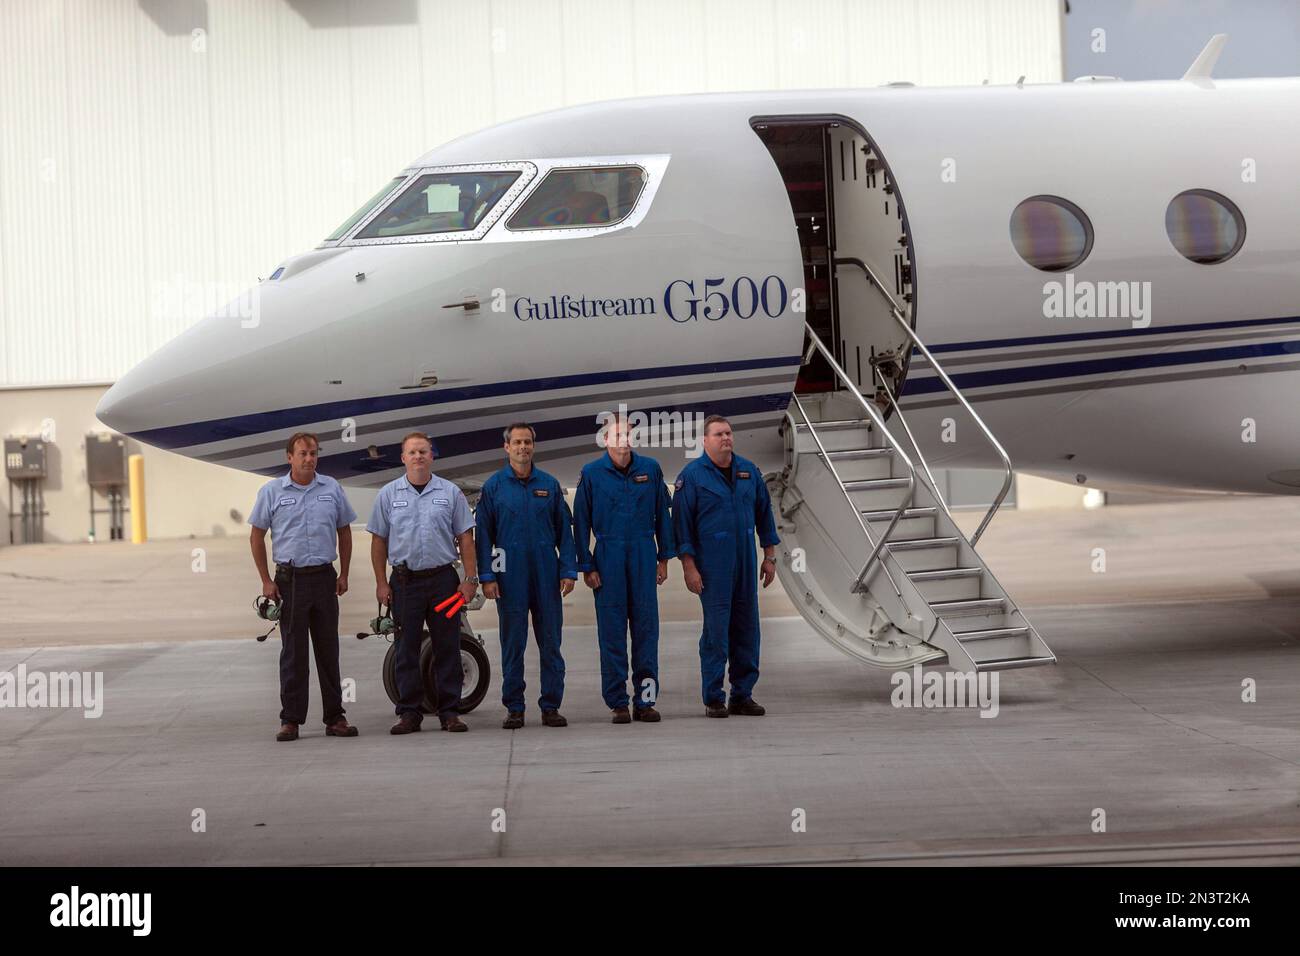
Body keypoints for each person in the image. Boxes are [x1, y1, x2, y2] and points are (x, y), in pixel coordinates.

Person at [249, 432, 358, 741]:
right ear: (290, 458)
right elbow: (257, 536)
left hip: (324, 578)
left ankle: (335, 718)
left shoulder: (331, 488)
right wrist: (266, 580)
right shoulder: (271, 492)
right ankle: (291, 720)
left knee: (328, 651)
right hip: (290, 582)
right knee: (293, 654)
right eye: (302, 454)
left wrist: (344, 573)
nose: (309, 458)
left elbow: (345, 532)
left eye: (313, 453)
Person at [368, 432, 479, 734]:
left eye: (423, 452)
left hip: (443, 580)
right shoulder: (388, 495)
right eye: (412, 452)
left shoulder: (450, 493)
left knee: (447, 646)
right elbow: (379, 541)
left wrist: (469, 579)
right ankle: (409, 713)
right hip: (405, 582)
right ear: (403, 458)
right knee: (406, 648)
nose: (418, 457)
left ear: (432, 456)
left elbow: (466, 539)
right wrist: (381, 582)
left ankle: (450, 711)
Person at [671, 415, 779, 718]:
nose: (726, 438)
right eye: (719, 434)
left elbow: (764, 516)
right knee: (716, 632)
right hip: (712, 565)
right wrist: (689, 567)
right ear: (705, 441)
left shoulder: (749, 472)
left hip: (745, 561)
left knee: (747, 629)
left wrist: (769, 557)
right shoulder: (691, 477)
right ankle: (714, 697)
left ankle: (742, 695)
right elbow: (682, 527)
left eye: (729, 433)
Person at [572, 416, 674, 723]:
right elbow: (581, 523)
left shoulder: (651, 470)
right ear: (605, 440)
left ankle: (645, 702)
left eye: (628, 434)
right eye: (617, 434)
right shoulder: (591, 474)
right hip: (608, 556)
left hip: (643, 553)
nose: (623, 440)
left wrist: (663, 559)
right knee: (612, 634)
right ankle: (617, 702)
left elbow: (663, 516)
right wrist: (587, 566)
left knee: (646, 632)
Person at [475, 423, 577, 729]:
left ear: (533, 446)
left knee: (551, 643)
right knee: (513, 643)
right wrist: (487, 576)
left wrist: (568, 570)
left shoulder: (549, 484)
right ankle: (515, 707)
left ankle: (551, 706)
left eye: (528, 442)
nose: (523, 447)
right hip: (510, 576)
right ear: (507, 448)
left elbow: (565, 533)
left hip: (546, 574)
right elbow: (484, 536)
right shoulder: (494, 487)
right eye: (517, 442)